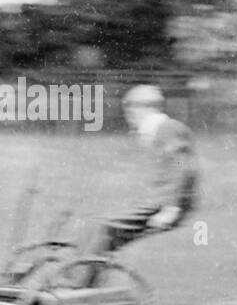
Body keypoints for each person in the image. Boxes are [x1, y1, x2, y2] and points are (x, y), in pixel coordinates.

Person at [78, 84, 200, 265]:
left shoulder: (167, 128)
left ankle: (79, 275)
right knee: (99, 229)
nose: (128, 116)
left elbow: (181, 166)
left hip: (162, 204)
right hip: (159, 202)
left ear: (144, 107)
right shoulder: (159, 130)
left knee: (101, 228)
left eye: (130, 110)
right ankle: (87, 270)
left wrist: (171, 209)